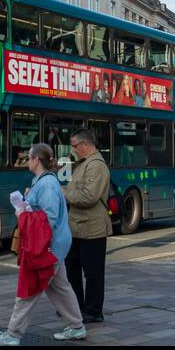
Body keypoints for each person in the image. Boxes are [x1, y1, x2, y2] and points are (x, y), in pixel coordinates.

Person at [0, 143, 87, 345]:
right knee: (60, 287)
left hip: (47, 247)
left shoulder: (46, 184)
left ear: (36, 160)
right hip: (54, 246)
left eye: (28, 157)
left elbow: (48, 218)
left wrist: (23, 213)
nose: (26, 161)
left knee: (30, 289)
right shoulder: (44, 182)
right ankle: (77, 326)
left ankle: (13, 334)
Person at [63, 128, 111, 324]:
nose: (73, 150)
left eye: (75, 146)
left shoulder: (96, 165)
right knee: (72, 269)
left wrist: (62, 193)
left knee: (93, 274)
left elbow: (89, 197)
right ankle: (76, 308)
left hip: (92, 229)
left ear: (84, 145)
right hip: (77, 227)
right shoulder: (83, 164)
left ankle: (93, 311)